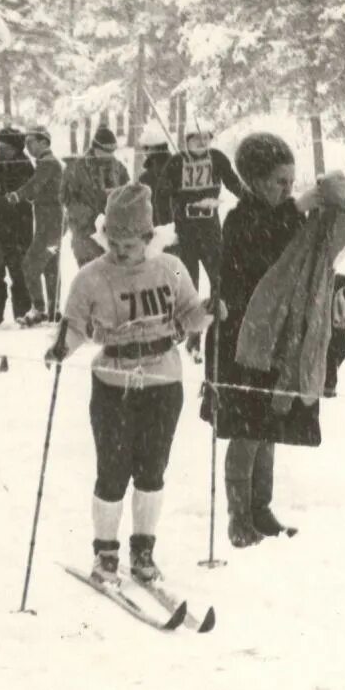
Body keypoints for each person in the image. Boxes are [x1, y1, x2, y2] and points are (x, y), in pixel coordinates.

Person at [44, 183, 216, 584]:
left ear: (148, 237)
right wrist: (61, 348)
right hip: (112, 384)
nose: (120, 252)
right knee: (113, 469)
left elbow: (190, 313)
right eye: (113, 243)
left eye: (129, 245)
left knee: (152, 469)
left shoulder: (170, 268)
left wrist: (207, 312)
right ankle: (105, 554)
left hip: (163, 382)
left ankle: (143, 552)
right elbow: (73, 328)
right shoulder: (90, 277)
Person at [203, 133, 325, 548]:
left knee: (268, 425)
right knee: (247, 428)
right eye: (278, 183)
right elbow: (256, 250)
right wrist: (295, 208)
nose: (287, 191)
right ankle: (239, 516)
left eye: (291, 183)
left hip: (273, 339)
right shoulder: (242, 219)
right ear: (254, 182)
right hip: (242, 339)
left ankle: (261, 508)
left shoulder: (290, 216)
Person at [160, 127, 245, 354]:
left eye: (206, 138)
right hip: (185, 231)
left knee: (219, 278)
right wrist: (166, 224)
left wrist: (251, 201)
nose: (202, 142)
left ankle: (222, 327)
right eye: (196, 139)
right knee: (185, 280)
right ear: (187, 140)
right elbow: (161, 194)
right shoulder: (176, 163)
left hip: (210, 231)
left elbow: (233, 182)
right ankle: (190, 331)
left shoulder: (216, 158)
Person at [6, 125, 64, 326]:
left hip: (49, 226)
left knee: (29, 264)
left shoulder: (47, 163)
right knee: (50, 267)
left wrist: (17, 195)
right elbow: (44, 190)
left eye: (31, 142)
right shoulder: (50, 163)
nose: (27, 147)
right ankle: (54, 309)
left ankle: (39, 309)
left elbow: (34, 185)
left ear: (44, 142)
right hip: (54, 224)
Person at [0, 126, 34, 324]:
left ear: (14, 148)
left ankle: (21, 314)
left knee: (19, 275)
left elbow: (21, 199)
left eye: (4, 147)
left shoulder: (24, 167)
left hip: (17, 231)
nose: (0, 150)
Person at [61, 126, 130, 269]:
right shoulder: (76, 168)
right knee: (91, 279)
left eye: (112, 152)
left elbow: (127, 194)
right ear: (96, 149)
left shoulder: (118, 168)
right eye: (106, 151)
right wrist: (89, 216)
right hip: (86, 235)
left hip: (112, 235)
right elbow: (66, 199)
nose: (110, 155)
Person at [136, 121, 177, 253]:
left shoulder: (145, 178)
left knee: (165, 269)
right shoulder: (179, 169)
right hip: (179, 231)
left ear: (151, 149)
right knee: (177, 269)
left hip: (156, 234)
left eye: (145, 148)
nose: (144, 152)